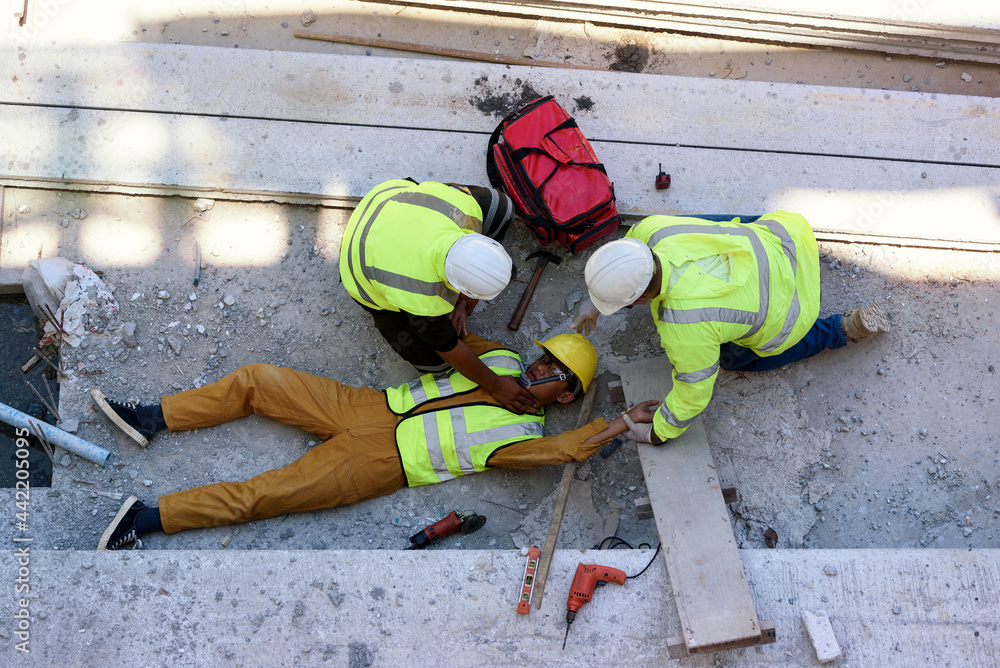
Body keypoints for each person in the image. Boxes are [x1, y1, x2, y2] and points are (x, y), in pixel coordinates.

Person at [90, 333, 659, 551]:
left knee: (263, 495)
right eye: (544, 357)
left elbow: (562, 452)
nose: (539, 368)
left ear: (566, 395)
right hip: (368, 405)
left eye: (555, 372)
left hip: (379, 462)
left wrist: (619, 424)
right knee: (258, 380)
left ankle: (148, 518)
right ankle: (151, 418)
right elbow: (452, 338)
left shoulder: (522, 435)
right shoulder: (504, 360)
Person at [573, 212, 889, 445]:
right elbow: (626, 257)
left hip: (796, 306)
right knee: (713, 225)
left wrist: (659, 432)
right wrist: (598, 300)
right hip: (789, 239)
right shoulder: (651, 229)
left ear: (640, 300)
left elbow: (694, 391)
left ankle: (841, 329)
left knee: (732, 359)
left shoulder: (683, 325)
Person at [340, 178, 537, 414]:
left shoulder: (467, 209)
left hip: (384, 200)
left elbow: (497, 209)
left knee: (500, 207)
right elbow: (450, 348)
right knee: (434, 362)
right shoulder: (421, 297)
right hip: (357, 262)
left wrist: (464, 303)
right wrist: (495, 385)